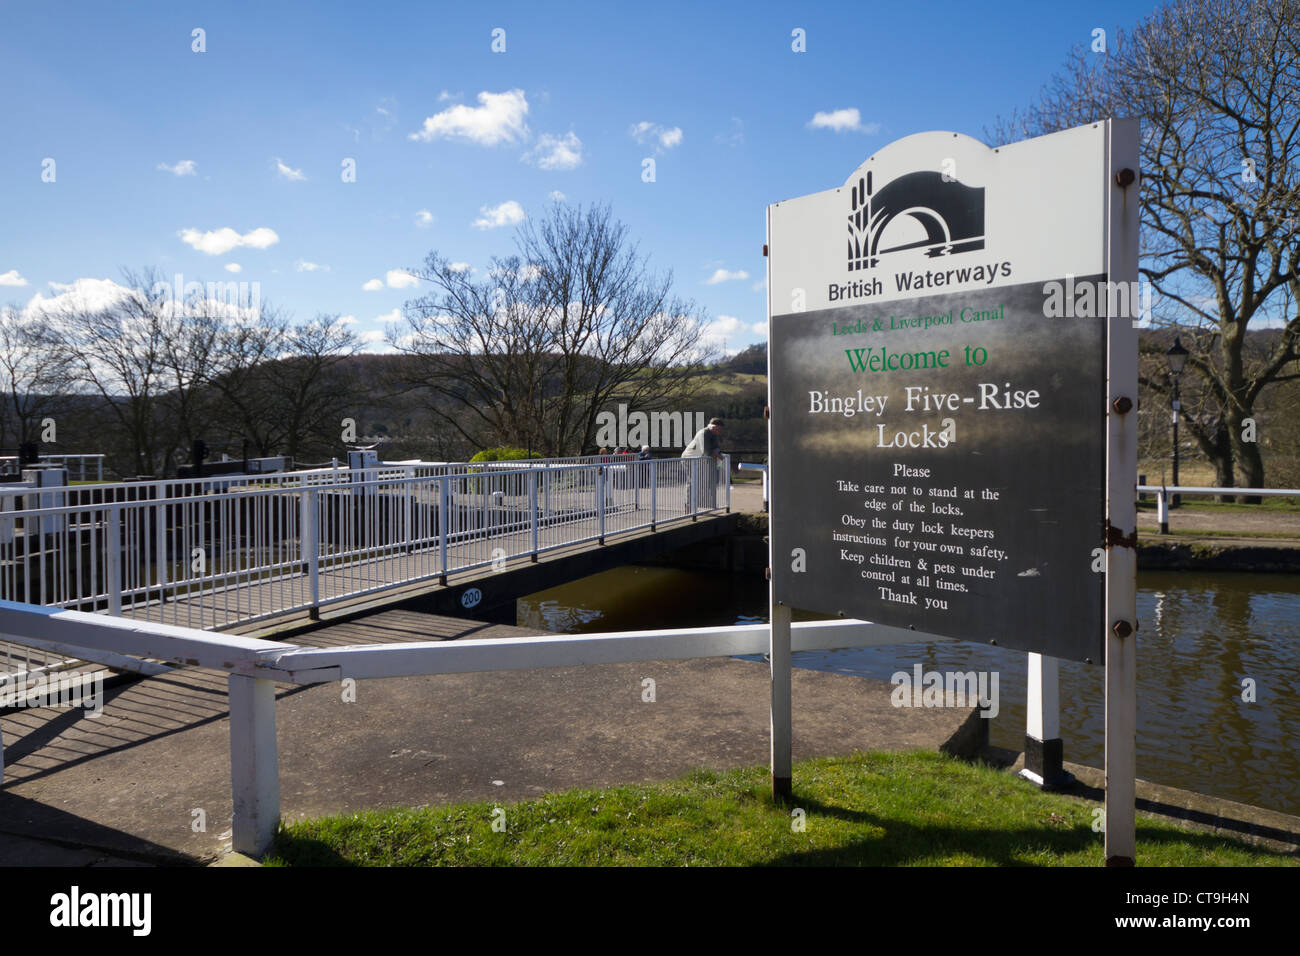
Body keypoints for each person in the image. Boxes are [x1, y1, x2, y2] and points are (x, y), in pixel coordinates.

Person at [681, 418, 723, 511]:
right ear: (713, 427)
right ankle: (688, 506)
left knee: (701, 482)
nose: (720, 431)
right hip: (689, 459)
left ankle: (697, 505)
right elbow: (707, 451)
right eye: (719, 429)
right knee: (692, 482)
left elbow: (717, 448)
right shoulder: (703, 433)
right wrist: (719, 456)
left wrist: (717, 453)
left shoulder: (714, 434)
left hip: (699, 460)